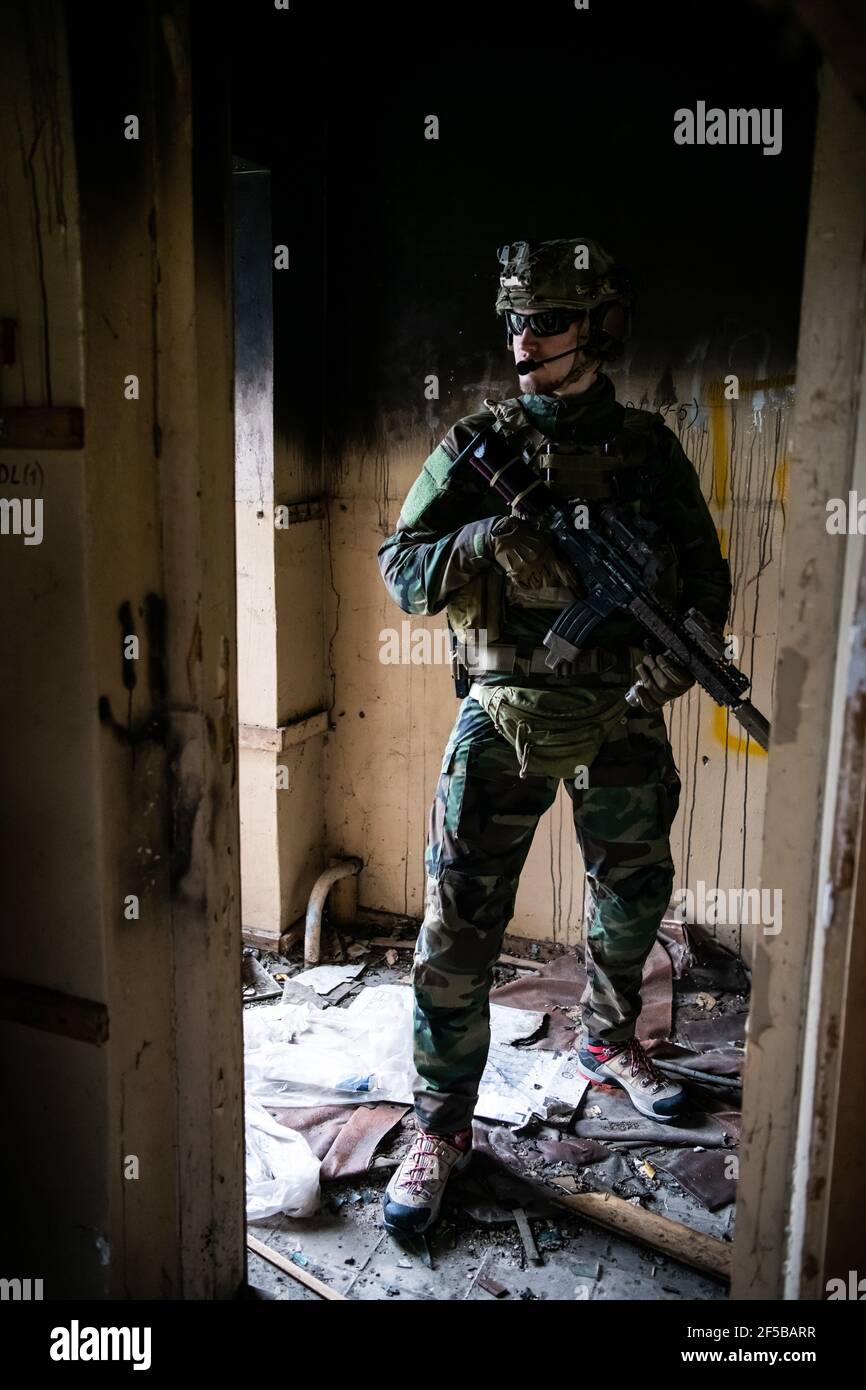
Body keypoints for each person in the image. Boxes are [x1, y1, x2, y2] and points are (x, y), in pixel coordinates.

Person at [377, 238, 731, 1235]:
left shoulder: (648, 450)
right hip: (502, 711)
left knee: (631, 900)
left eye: (548, 319)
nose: (524, 338)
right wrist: (483, 539)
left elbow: (703, 573)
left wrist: (687, 646)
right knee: (456, 931)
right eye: (515, 320)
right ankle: (439, 1127)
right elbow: (401, 570)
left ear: (598, 328)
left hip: (617, 708)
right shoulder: (473, 444)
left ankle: (607, 1043)